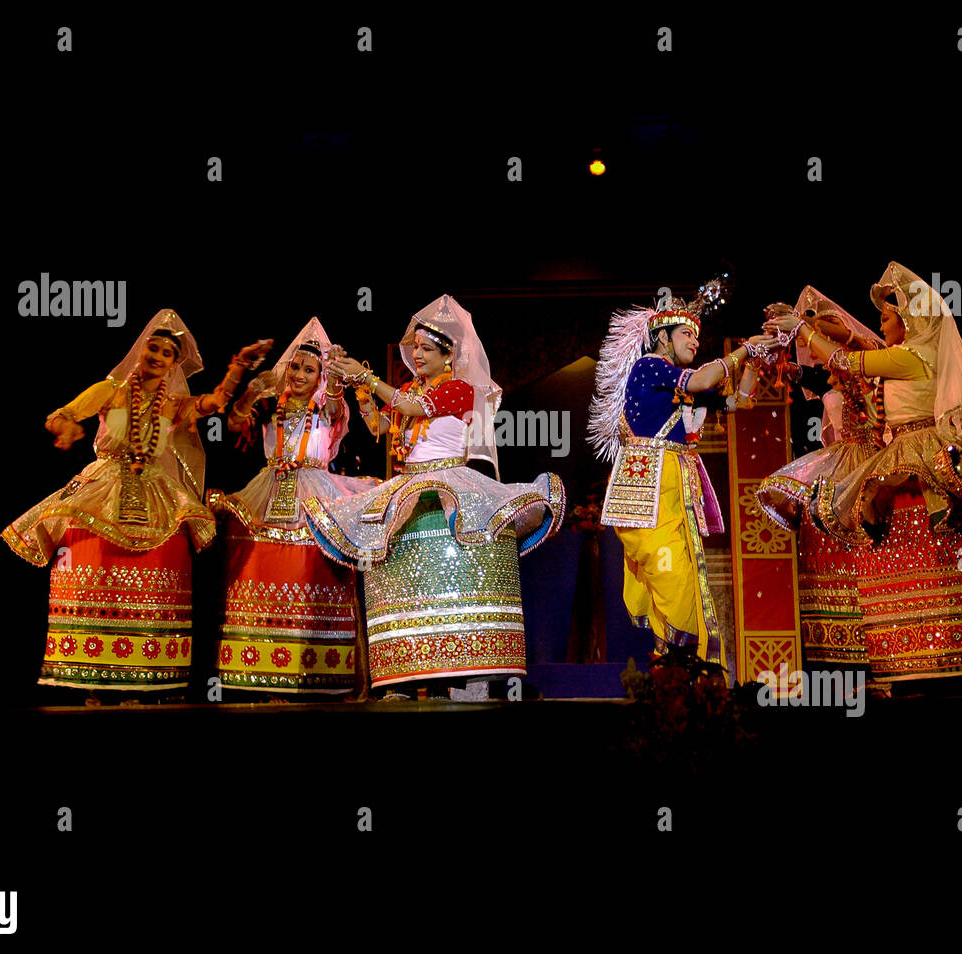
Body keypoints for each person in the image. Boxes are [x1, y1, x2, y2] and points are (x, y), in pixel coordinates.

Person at [765, 262, 962, 688]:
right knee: (903, 544)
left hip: (919, 453)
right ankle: (914, 655)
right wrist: (807, 324)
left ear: (910, 320)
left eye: (887, 318)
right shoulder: (906, 353)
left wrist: (804, 332)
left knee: (930, 540)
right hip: (905, 450)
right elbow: (859, 344)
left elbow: (849, 360)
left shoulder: (912, 357)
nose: (881, 326)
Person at [304, 294, 565, 700]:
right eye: (415, 347)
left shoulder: (459, 389)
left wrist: (367, 377)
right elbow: (379, 426)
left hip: (447, 493)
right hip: (408, 490)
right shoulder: (410, 388)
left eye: (427, 349)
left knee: (446, 585)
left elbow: (412, 407)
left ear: (448, 357)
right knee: (410, 586)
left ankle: (453, 678)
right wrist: (355, 388)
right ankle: (406, 677)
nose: (418, 354)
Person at [1, 308, 272, 693]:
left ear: (174, 363)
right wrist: (67, 428)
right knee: (92, 571)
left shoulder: (172, 404)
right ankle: (93, 680)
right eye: (153, 348)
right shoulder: (110, 391)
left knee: (158, 573)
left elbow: (214, 403)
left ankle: (143, 679)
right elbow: (62, 414)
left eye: (167, 353)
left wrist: (238, 366)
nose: (157, 356)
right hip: (102, 487)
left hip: (156, 494)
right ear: (141, 351)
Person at [587, 278, 776, 682]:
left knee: (686, 579)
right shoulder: (650, 366)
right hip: (649, 488)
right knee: (670, 574)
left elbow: (739, 402)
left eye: (697, 335)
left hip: (674, 486)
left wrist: (755, 361)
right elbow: (704, 380)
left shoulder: (677, 382)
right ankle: (676, 669)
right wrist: (745, 348)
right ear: (662, 338)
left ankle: (675, 672)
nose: (694, 341)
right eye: (686, 334)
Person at [208, 317, 376, 697]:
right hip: (268, 490)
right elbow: (233, 424)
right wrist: (251, 393)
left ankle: (316, 670)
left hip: (314, 492)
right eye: (295, 367)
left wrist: (336, 376)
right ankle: (261, 670)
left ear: (320, 377)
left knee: (308, 572)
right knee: (261, 569)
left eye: (309, 370)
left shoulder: (327, 409)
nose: (299, 374)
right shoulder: (273, 406)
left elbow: (335, 403)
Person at [756, 287, 884, 671]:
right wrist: (785, 359)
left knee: (861, 541)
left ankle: (876, 641)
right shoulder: (838, 375)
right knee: (823, 533)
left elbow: (846, 347)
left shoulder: (866, 361)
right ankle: (838, 654)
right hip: (839, 461)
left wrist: (804, 324)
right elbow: (815, 375)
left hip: (866, 462)